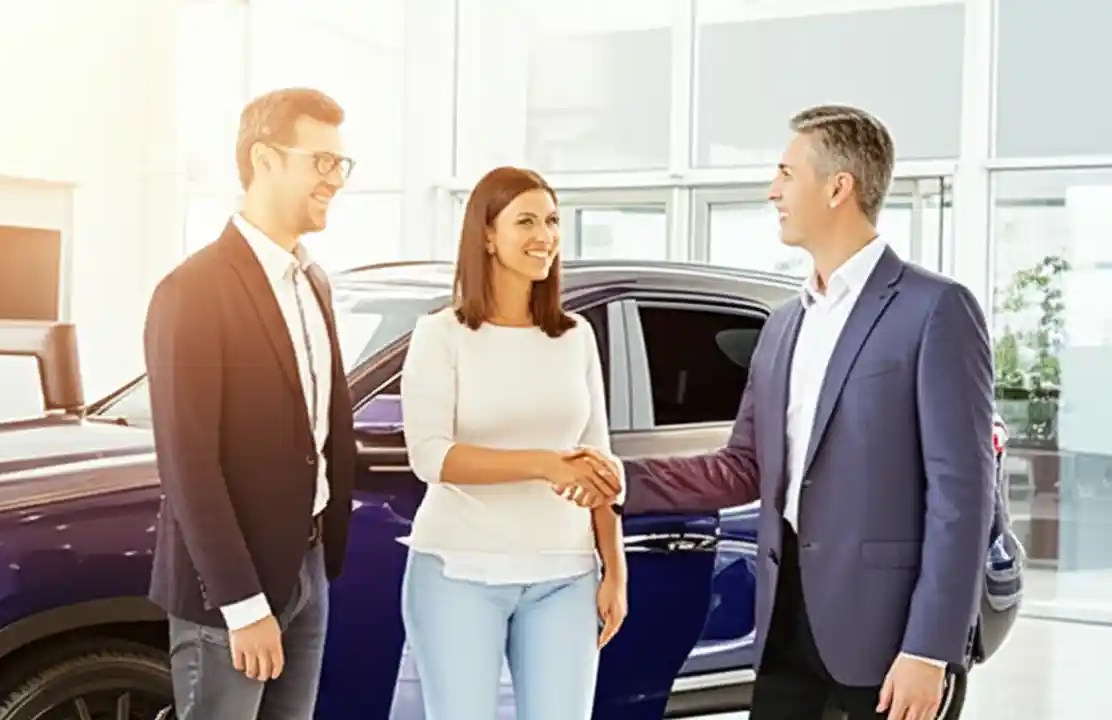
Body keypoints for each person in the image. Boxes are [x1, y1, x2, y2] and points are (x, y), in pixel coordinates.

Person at [620, 106, 992, 720]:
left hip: (889, 642)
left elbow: (963, 496)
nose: (773, 191)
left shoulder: (936, 310)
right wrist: (618, 480)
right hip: (786, 626)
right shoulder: (786, 323)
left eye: (786, 173)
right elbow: (742, 466)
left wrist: (931, 649)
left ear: (838, 186)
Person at [143, 87, 358, 719]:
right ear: (264, 160)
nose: (335, 181)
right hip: (231, 594)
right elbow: (189, 466)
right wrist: (243, 604)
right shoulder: (192, 290)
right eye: (321, 161)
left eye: (340, 165)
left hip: (308, 567)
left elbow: (316, 428)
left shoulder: (313, 280)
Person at [398, 166, 629, 720]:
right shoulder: (441, 334)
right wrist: (546, 465)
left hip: (566, 576)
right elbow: (432, 456)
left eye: (551, 221)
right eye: (525, 220)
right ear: (486, 235)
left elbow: (597, 458)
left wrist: (614, 571)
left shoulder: (576, 336)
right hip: (458, 572)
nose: (544, 235)